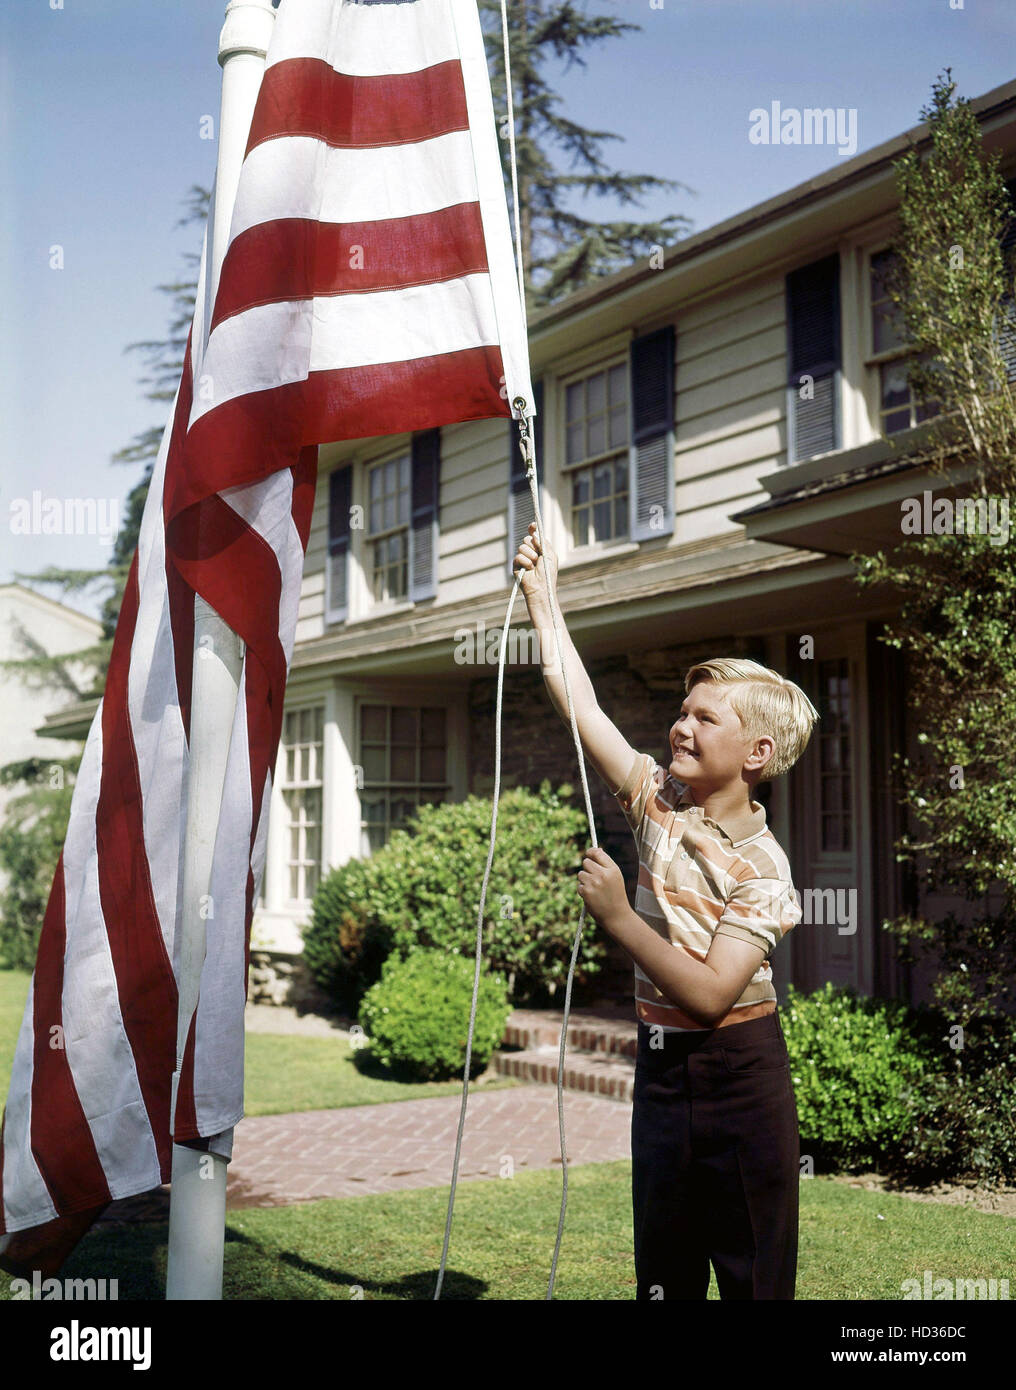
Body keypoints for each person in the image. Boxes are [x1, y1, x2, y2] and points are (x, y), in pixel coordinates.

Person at [513, 520, 819, 1301]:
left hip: (740, 1077)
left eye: (706, 717)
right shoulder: (657, 801)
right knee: (665, 1278)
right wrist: (543, 602)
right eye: (683, 710)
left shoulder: (766, 867)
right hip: (661, 1074)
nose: (681, 724)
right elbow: (580, 705)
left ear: (757, 754)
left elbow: (714, 994)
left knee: (754, 1280)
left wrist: (620, 917)